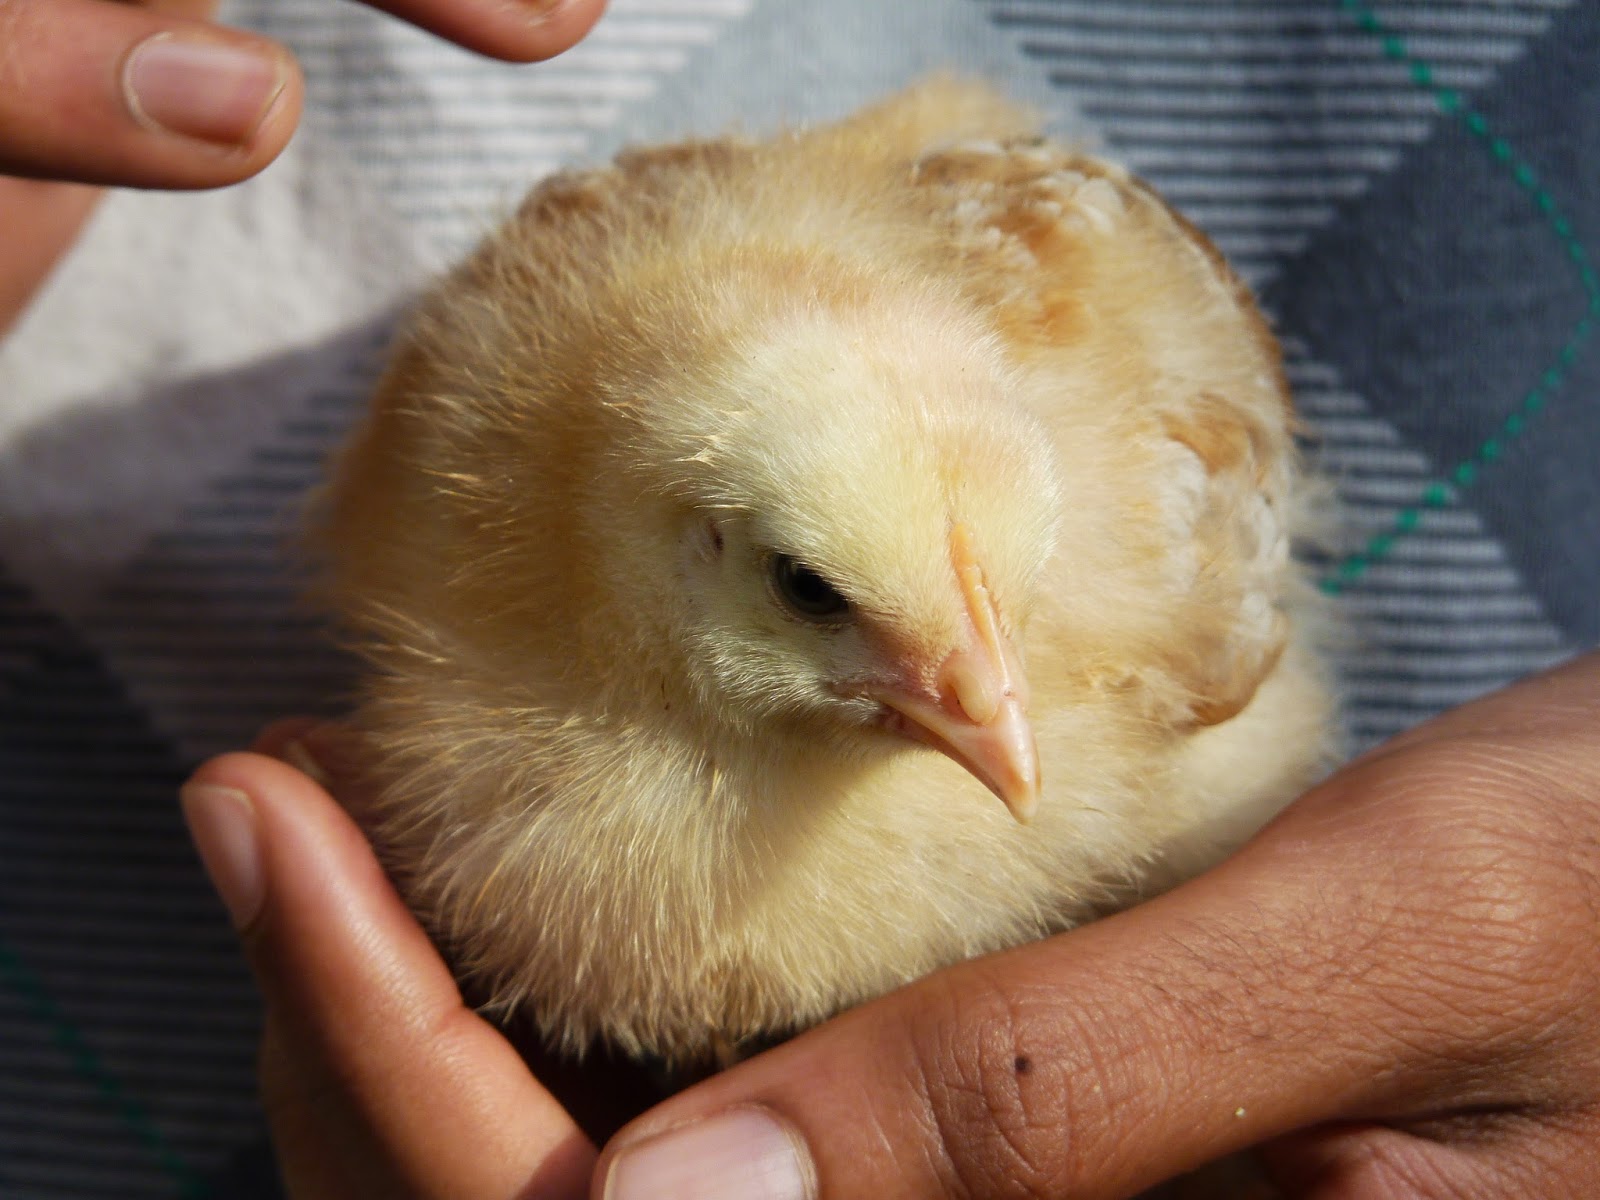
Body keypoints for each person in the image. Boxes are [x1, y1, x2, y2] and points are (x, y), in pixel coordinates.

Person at [6, 3, 1598, 1197]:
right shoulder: (473, 485)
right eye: (813, 592)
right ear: (677, 549)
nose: (999, 716)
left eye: (1001, 614)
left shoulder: (1126, 502)